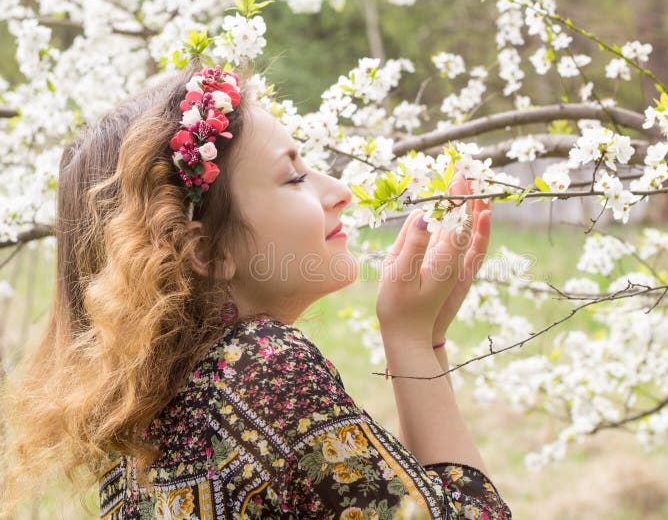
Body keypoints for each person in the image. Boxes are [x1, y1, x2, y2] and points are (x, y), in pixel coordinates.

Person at [1, 62, 511, 519]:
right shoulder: (264, 367)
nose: (340, 191)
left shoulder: (135, 429)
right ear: (203, 250)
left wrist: (423, 339)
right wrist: (413, 342)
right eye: (294, 177)